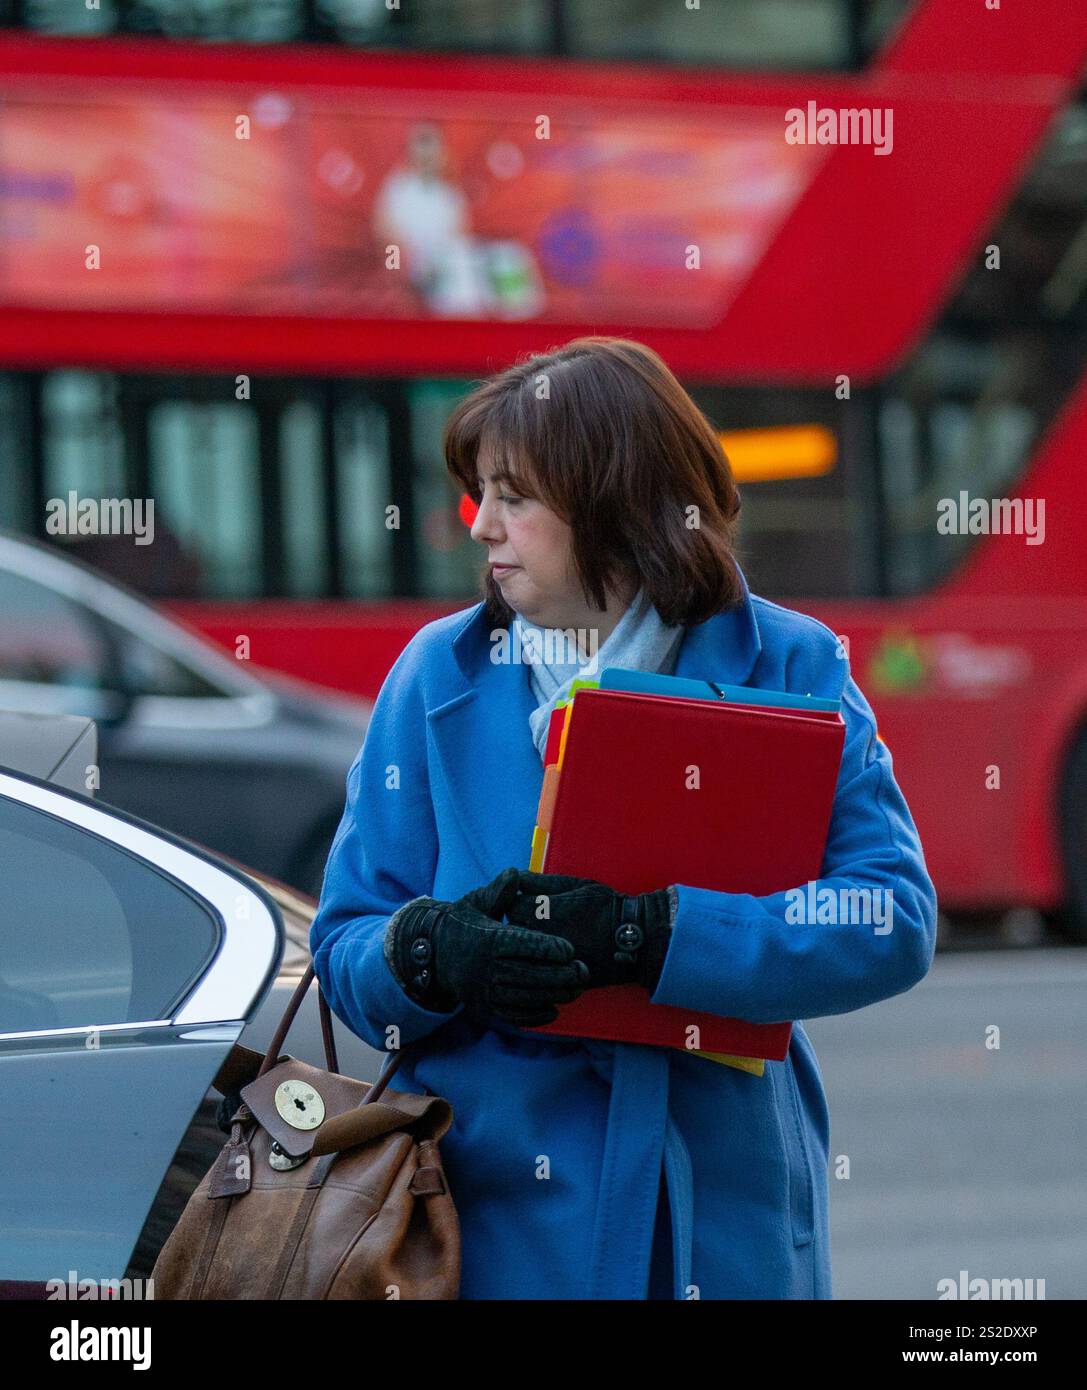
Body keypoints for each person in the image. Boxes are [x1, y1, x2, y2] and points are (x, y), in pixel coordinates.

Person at [309, 336, 938, 1300]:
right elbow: (346, 946)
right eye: (482, 493)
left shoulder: (792, 661)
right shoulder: (437, 671)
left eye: (515, 496)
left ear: (615, 501)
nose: (482, 526)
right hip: (490, 1229)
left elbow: (888, 918)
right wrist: (437, 952)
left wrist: (657, 935)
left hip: (726, 1222)